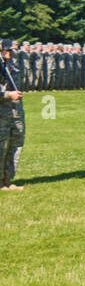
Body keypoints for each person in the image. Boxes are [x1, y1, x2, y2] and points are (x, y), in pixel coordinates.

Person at [0, 40, 24, 191]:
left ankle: (8, 179)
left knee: (16, 146)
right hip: (2, 113)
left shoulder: (13, 66)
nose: (9, 52)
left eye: (10, 50)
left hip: (16, 112)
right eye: (5, 50)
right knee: (1, 148)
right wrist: (9, 94)